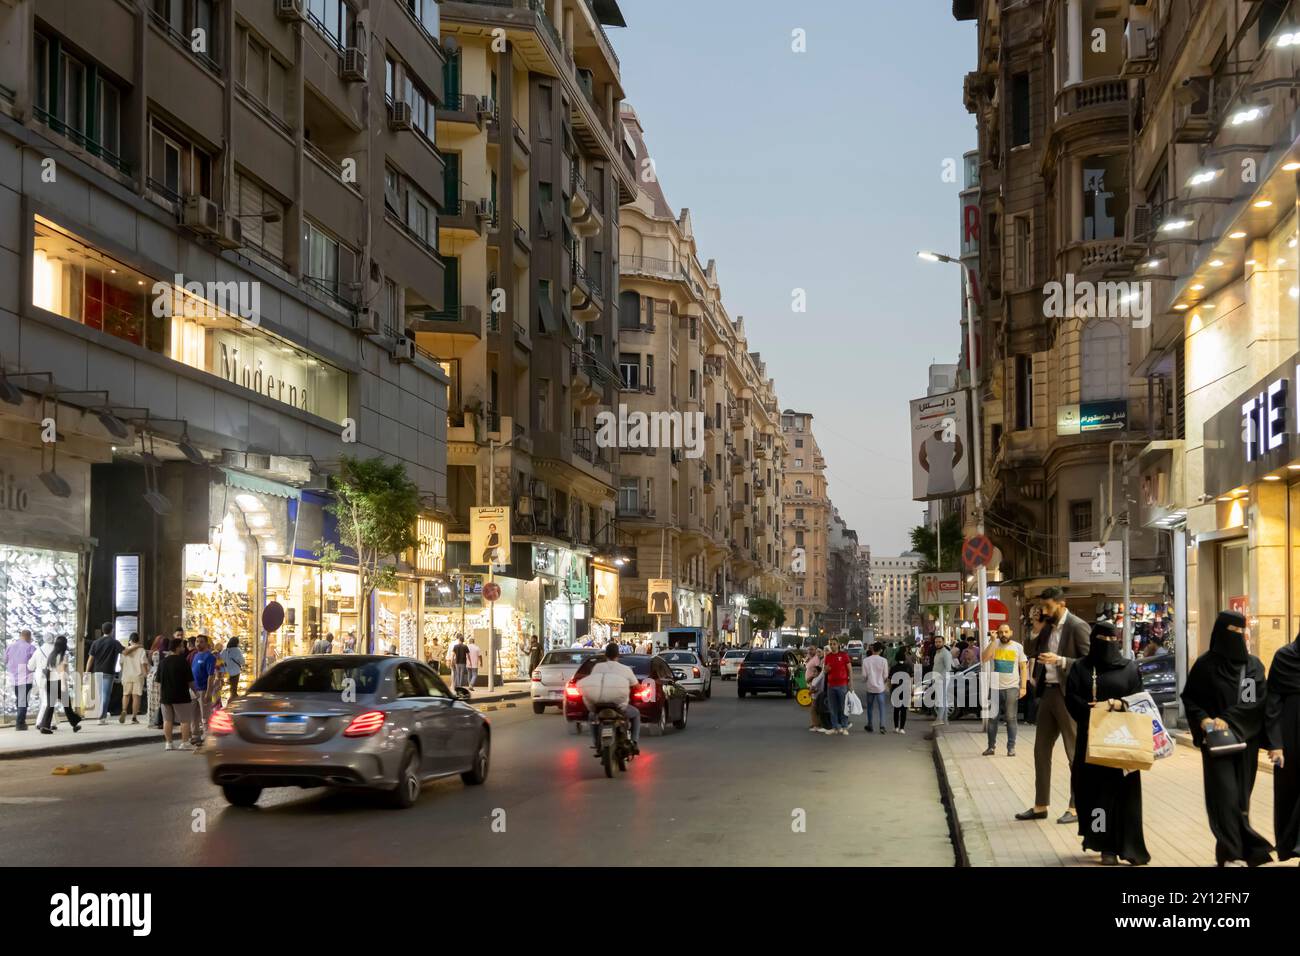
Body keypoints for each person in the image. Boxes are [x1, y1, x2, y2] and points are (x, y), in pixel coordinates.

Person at [1182, 610, 1274, 867]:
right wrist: (1202, 719)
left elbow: (1256, 701)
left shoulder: (1253, 665)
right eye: (1231, 631)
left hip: (1245, 742)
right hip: (1216, 744)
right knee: (1224, 797)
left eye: (1240, 631)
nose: (1237, 636)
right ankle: (1241, 850)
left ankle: (1229, 851)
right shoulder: (1205, 665)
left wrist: (1229, 719)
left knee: (1241, 798)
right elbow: (1190, 697)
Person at [1063, 621, 1150, 866]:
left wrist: (1114, 705)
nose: (1108, 645)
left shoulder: (1130, 668)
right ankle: (1103, 845)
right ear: (1093, 640)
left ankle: (1129, 845)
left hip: (1124, 742)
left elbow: (1140, 700)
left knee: (1126, 797)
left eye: (1113, 640)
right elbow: (1071, 699)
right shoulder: (1080, 667)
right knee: (1095, 796)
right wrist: (1092, 713)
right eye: (1103, 640)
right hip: (1092, 743)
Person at [1017, 587, 1090, 825]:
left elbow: (1089, 663)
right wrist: (1036, 629)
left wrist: (1061, 660)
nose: (1045, 611)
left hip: (1068, 694)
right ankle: (1041, 805)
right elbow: (1029, 651)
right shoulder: (1047, 627)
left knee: (1073, 753)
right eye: (1043, 607)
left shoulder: (1077, 626)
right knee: (1040, 750)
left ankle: (1077, 806)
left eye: (1048, 607)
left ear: (1062, 603)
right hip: (1047, 693)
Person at [1265, 628, 1300, 863]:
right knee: (1291, 795)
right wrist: (1275, 744)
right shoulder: (1285, 657)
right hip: (1292, 740)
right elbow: (1272, 704)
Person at [577, 643, 641, 755]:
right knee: (635, 714)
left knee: (592, 716)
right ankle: (634, 742)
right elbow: (637, 686)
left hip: (599, 704)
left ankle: (596, 743)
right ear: (618, 655)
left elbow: (593, 682)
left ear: (605, 655)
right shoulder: (625, 669)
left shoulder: (597, 667)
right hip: (618, 706)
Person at [982, 624, 1027, 756]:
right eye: (1000, 632)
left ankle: (1011, 747)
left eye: (1006, 632)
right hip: (995, 687)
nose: (1003, 634)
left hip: (1012, 687)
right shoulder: (994, 645)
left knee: (1011, 718)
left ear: (1011, 632)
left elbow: (1023, 667)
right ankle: (991, 747)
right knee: (993, 718)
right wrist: (992, 641)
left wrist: (1023, 686)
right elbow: (984, 658)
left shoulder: (1018, 647)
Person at [35, 635, 81, 735]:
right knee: (67, 705)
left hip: (49, 683)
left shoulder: (52, 655)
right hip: (58, 683)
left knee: (50, 705)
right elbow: (62, 671)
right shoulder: (63, 656)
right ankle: (75, 722)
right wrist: (64, 685)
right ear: (64, 645)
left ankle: (45, 726)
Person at [158, 638, 195, 751]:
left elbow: (158, 681)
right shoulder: (183, 661)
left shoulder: (163, 662)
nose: (184, 648)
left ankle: (169, 743)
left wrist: (161, 695)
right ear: (177, 647)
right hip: (181, 695)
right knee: (184, 720)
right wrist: (195, 692)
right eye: (182, 646)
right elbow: (190, 680)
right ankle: (185, 743)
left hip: (165, 696)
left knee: (167, 720)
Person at [86, 622, 121, 723]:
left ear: (102, 630)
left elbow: (90, 659)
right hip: (108, 672)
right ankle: (101, 717)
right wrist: (137, 646)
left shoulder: (96, 643)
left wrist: (87, 672)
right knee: (106, 695)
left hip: (97, 671)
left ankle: (103, 713)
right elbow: (125, 652)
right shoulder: (114, 642)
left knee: (101, 694)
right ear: (112, 630)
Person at [5, 629, 36, 730]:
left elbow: (5, 660)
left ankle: (20, 721)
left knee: (19, 700)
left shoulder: (10, 646)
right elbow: (34, 663)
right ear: (28, 637)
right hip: (25, 678)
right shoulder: (30, 647)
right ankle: (20, 723)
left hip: (13, 678)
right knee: (23, 701)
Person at [821, 638, 852, 736]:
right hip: (831, 685)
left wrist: (850, 681)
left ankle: (844, 726)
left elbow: (849, 669)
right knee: (832, 707)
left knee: (843, 707)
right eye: (831, 644)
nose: (832, 646)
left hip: (842, 685)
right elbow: (825, 671)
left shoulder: (844, 655)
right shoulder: (828, 656)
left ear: (838, 644)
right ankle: (835, 727)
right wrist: (826, 670)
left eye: (834, 644)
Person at [189, 635, 217, 746]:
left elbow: (211, 676)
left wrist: (209, 692)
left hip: (204, 690)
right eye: (196, 641)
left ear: (206, 643)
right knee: (193, 715)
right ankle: (195, 736)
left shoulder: (210, 657)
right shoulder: (195, 656)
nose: (198, 644)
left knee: (205, 715)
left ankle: (206, 736)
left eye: (201, 642)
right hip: (194, 690)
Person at [861, 642, 889, 734]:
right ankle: (882, 726)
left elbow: (864, 676)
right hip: (880, 687)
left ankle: (870, 724)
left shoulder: (866, 661)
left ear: (872, 649)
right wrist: (883, 682)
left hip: (870, 687)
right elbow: (885, 675)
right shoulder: (884, 660)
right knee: (882, 707)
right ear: (881, 650)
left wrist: (866, 680)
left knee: (870, 707)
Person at [118, 633, 146, 724]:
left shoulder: (125, 650)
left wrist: (124, 671)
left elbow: (121, 663)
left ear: (130, 641)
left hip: (126, 675)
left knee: (126, 694)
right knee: (136, 696)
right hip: (138, 676)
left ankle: (124, 710)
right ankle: (134, 717)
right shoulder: (141, 650)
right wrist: (146, 673)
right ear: (138, 640)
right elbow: (143, 663)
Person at [931, 636, 953, 725]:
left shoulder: (946, 653)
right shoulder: (938, 652)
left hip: (942, 678)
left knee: (941, 699)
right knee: (943, 699)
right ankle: (945, 720)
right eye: (936, 642)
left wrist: (941, 678)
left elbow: (948, 668)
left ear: (943, 642)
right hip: (937, 678)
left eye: (939, 642)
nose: (937, 643)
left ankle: (939, 719)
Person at [889, 653, 912, 734]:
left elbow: (890, 680)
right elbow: (910, 679)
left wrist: (890, 690)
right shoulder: (908, 667)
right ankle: (902, 728)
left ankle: (896, 727)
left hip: (895, 690)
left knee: (896, 709)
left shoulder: (893, 668)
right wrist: (911, 689)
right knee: (903, 710)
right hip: (905, 690)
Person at [146, 635, 166, 728]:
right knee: (158, 699)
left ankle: (152, 720)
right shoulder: (158, 653)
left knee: (151, 699)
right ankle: (158, 720)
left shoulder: (152, 652)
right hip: (157, 676)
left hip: (151, 675)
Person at [804, 644, 824, 731]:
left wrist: (811, 679)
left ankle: (816, 724)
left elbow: (818, 670)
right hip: (811, 683)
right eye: (809, 650)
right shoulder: (811, 658)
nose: (810, 651)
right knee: (814, 705)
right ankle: (815, 723)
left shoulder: (816, 659)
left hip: (814, 683)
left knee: (814, 706)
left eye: (812, 650)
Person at [221, 637, 246, 704]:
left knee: (232, 688)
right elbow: (242, 661)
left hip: (227, 672)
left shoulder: (225, 650)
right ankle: (232, 702)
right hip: (235, 671)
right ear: (236, 643)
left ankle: (232, 700)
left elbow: (221, 660)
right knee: (234, 688)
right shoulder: (237, 650)